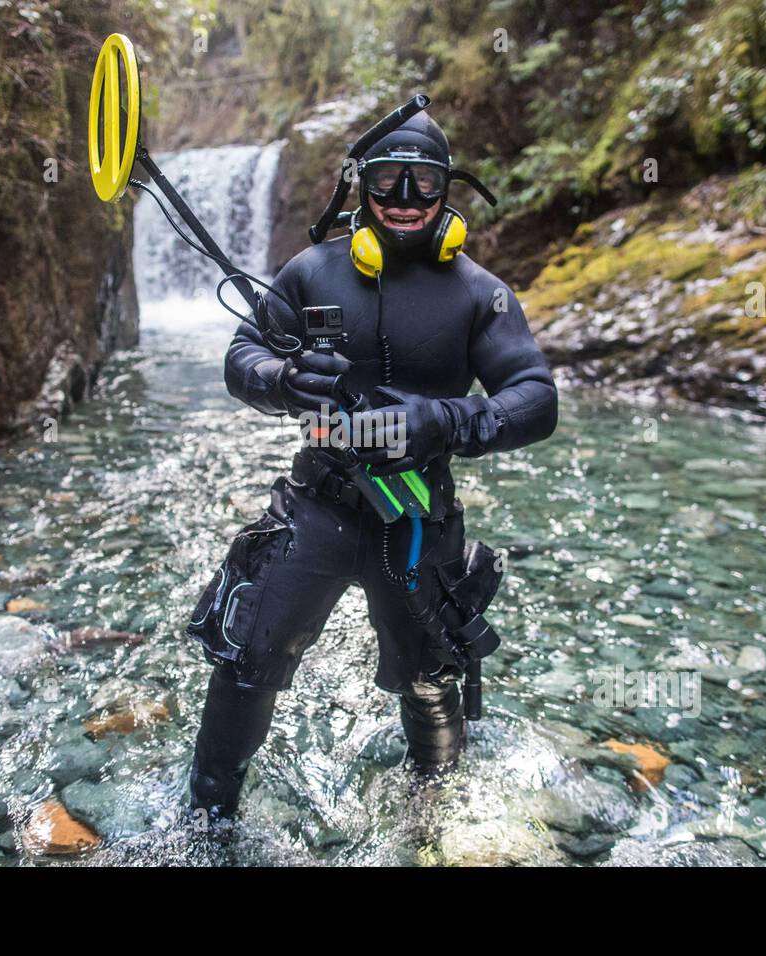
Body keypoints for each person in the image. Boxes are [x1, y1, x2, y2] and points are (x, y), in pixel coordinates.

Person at [186, 112, 558, 821]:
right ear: (360, 183)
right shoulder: (309, 272)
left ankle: (433, 807)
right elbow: (242, 356)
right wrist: (281, 380)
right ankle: (207, 817)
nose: (408, 196)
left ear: (450, 192)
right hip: (315, 508)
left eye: (427, 181)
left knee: (427, 674)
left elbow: (536, 401)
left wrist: (447, 419)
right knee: (246, 661)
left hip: (418, 519)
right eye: (390, 177)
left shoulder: (482, 293)